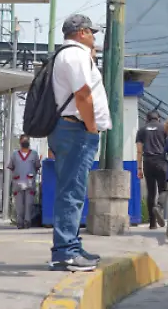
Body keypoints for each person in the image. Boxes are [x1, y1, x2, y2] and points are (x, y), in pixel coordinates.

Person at [48, 15, 111, 272]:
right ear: (82, 32)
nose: (95, 38)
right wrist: (92, 127)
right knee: (71, 192)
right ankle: (65, 253)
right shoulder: (74, 55)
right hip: (76, 130)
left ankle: (71, 246)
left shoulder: (71, 55)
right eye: (92, 33)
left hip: (72, 129)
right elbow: (83, 94)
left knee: (72, 191)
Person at [135, 111, 167, 229]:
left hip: (147, 162)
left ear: (146, 119)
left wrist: (139, 168)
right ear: (158, 118)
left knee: (151, 192)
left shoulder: (142, 130)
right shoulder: (164, 128)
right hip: (161, 161)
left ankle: (152, 224)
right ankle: (158, 207)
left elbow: (139, 150)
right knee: (163, 189)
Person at [6, 134, 41, 229]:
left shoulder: (34, 154)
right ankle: (19, 223)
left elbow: (37, 166)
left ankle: (27, 222)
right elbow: (11, 167)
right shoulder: (15, 154)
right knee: (19, 205)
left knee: (29, 205)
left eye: (27, 140)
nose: (25, 142)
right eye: (23, 140)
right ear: (20, 142)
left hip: (30, 183)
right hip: (18, 183)